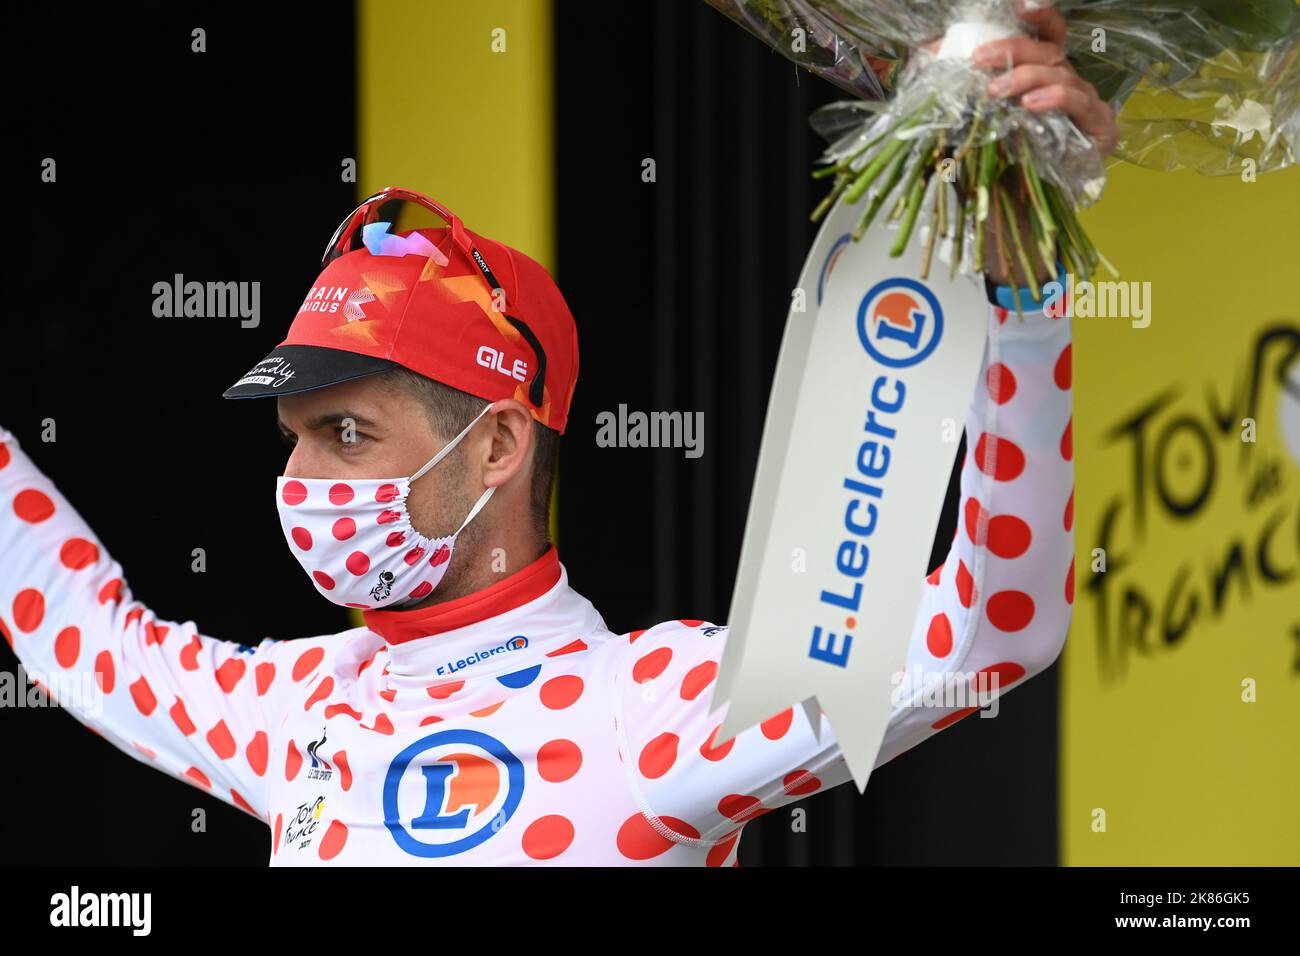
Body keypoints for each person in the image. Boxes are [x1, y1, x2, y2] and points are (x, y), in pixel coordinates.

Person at [0, 5, 1115, 865]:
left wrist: (1016, 298)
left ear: (495, 444)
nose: (297, 480)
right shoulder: (298, 703)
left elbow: (981, 632)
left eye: (345, 432)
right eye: (291, 437)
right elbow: (73, 625)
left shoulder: (650, 707)